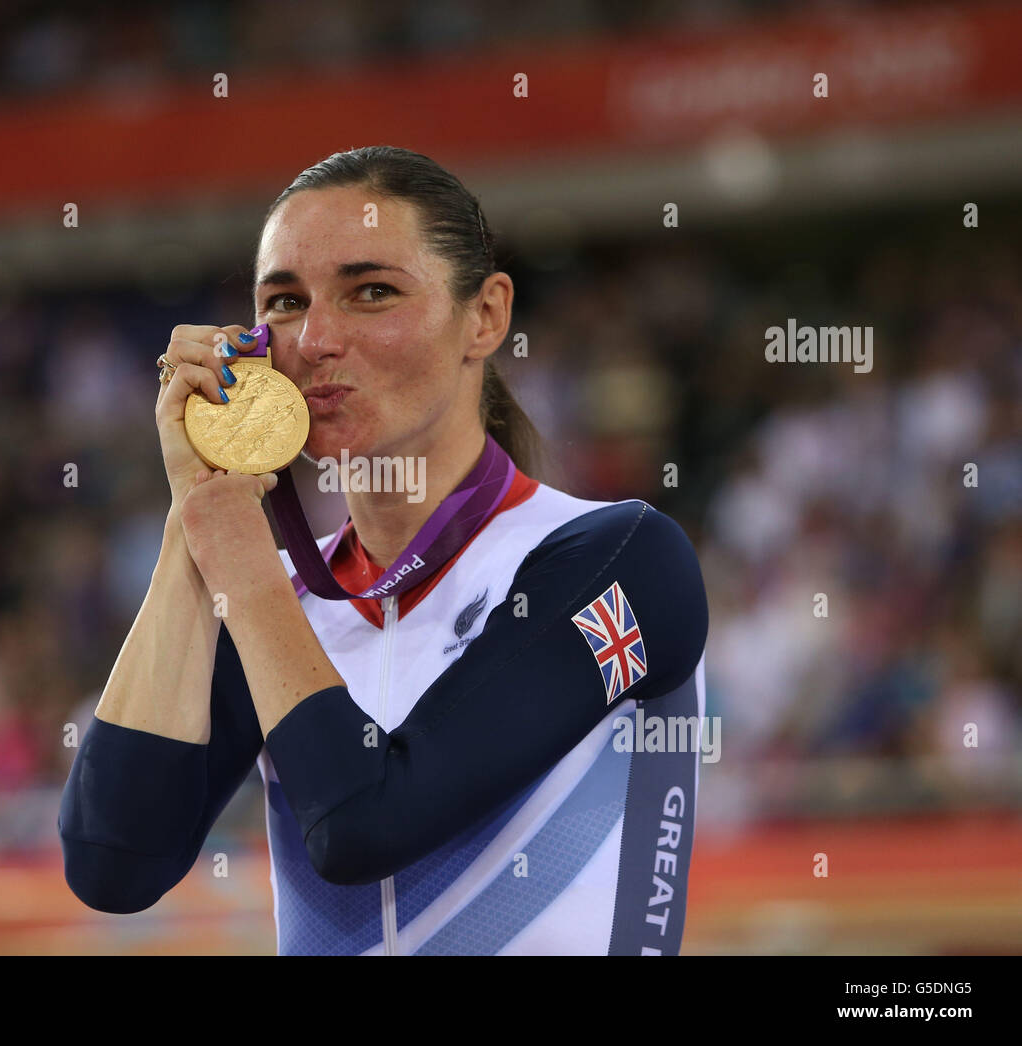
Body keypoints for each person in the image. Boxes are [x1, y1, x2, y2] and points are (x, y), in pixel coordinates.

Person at [58, 146, 709, 955]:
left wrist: (248, 574)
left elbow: (367, 822)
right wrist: (191, 525)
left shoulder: (626, 559)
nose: (318, 338)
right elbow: (112, 864)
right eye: (285, 303)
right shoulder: (278, 594)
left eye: (372, 292)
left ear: (487, 316)